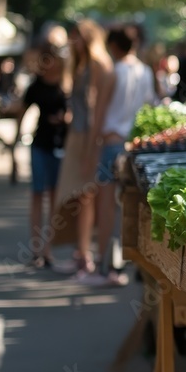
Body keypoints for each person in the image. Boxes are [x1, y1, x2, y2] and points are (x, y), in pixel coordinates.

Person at [81, 26, 158, 285]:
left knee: (106, 207)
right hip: (134, 147)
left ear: (114, 46)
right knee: (132, 209)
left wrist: (91, 149)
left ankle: (105, 267)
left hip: (111, 145)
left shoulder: (114, 72)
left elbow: (99, 113)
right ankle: (128, 265)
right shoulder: (145, 71)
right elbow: (151, 107)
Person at [53, 19, 115, 275]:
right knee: (78, 196)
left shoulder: (98, 64)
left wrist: (91, 150)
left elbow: (96, 111)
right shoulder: (83, 64)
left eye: (77, 37)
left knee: (85, 196)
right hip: (77, 135)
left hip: (87, 137)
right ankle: (81, 252)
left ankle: (87, 256)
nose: (73, 42)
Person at [15, 42, 68, 268]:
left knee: (55, 198)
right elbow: (21, 111)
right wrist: (14, 146)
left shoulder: (67, 83)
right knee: (37, 195)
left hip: (62, 146)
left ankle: (49, 249)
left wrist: (67, 119)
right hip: (40, 144)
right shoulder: (36, 86)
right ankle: (36, 249)